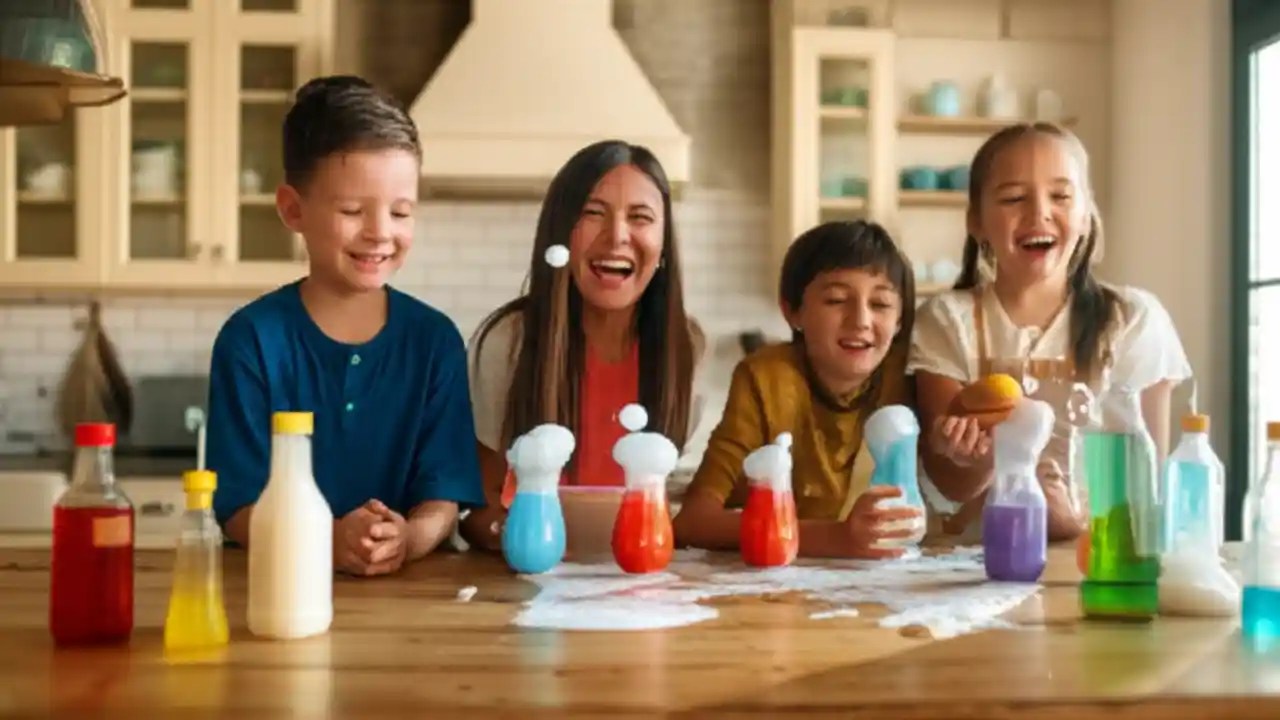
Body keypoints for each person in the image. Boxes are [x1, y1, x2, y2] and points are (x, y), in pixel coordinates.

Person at [206, 76, 484, 576]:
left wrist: (408, 538)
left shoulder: (434, 341)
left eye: (401, 212)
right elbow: (237, 510)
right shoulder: (251, 341)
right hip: (275, 590)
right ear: (293, 209)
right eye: (353, 211)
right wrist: (323, 539)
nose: (380, 232)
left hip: (411, 609)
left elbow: (443, 498)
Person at [909, 123, 1191, 542]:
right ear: (976, 221)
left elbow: (1145, 490)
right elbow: (950, 485)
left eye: (1060, 196)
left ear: (1085, 214)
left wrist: (1072, 522)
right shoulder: (947, 321)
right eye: (1012, 198)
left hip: (1101, 566)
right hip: (973, 568)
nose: (1038, 212)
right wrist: (976, 455)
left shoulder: (1133, 320)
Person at [461, 140, 705, 551]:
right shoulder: (508, 342)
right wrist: (519, 537)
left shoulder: (686, 348)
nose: (617, 237)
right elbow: (475, 510)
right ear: (560, 236)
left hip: (638, 581)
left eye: (640, 217)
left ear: (664, 247)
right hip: (528, 578)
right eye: (593, 213)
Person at [673, 220, 923, 559]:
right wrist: (835, 538)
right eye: (836, 299)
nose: (861, 320)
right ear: (792, 312)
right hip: (762, 580)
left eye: (880, 305)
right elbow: (692, 522)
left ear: (899, 321)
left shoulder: (907, 378)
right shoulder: (766, 379)